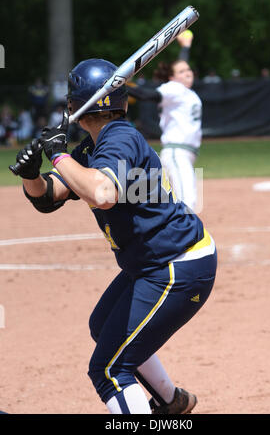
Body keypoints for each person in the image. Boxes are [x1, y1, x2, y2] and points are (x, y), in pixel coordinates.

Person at [13, 58, 217, 415]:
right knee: (103, 325)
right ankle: (172, 402)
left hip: (176, 267)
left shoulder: (119, 138)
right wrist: (32, 175)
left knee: (108, 370)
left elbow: (103, 193)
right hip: (155, 264)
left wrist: (58, 154)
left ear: (78, 106)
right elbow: (50, 196)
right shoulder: (95, 146)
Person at [127, 33, 202, 212]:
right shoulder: (174, 89)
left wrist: (185, 47)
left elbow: (179, 67)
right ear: (173, 78)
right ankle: (186, 238)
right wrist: (121, 85)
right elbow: (146, 95)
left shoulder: (182, 90)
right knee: (188, 202)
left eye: (188, 70)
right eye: (182, 72)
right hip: (177, 152)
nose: (187, 73)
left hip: (184, 153)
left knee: (176, 199)